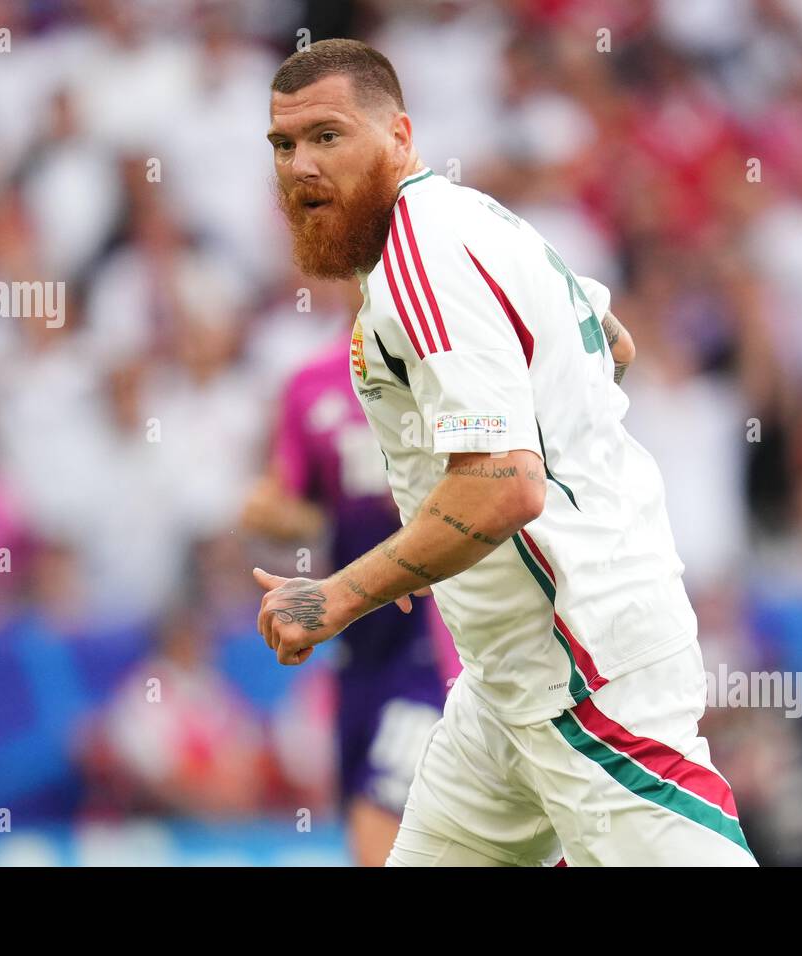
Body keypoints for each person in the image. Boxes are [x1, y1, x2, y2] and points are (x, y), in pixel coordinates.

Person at [254, 38, 755, 866]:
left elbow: (505, 486)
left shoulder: (421, 254)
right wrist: (436, 542)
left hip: (580, 656)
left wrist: (341, 596)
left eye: (328, 137)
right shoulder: (471, 219)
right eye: (283, 145)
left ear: (400, 138)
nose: (301, 165)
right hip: (507, 680)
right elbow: (609, 341)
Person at [242, 306, 446, 866]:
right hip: (356, 651)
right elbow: (280, 500)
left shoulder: (448, 366)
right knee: (369, 825)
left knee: (379, 818)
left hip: (436, 649)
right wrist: (308, 511)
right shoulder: (310, 382)